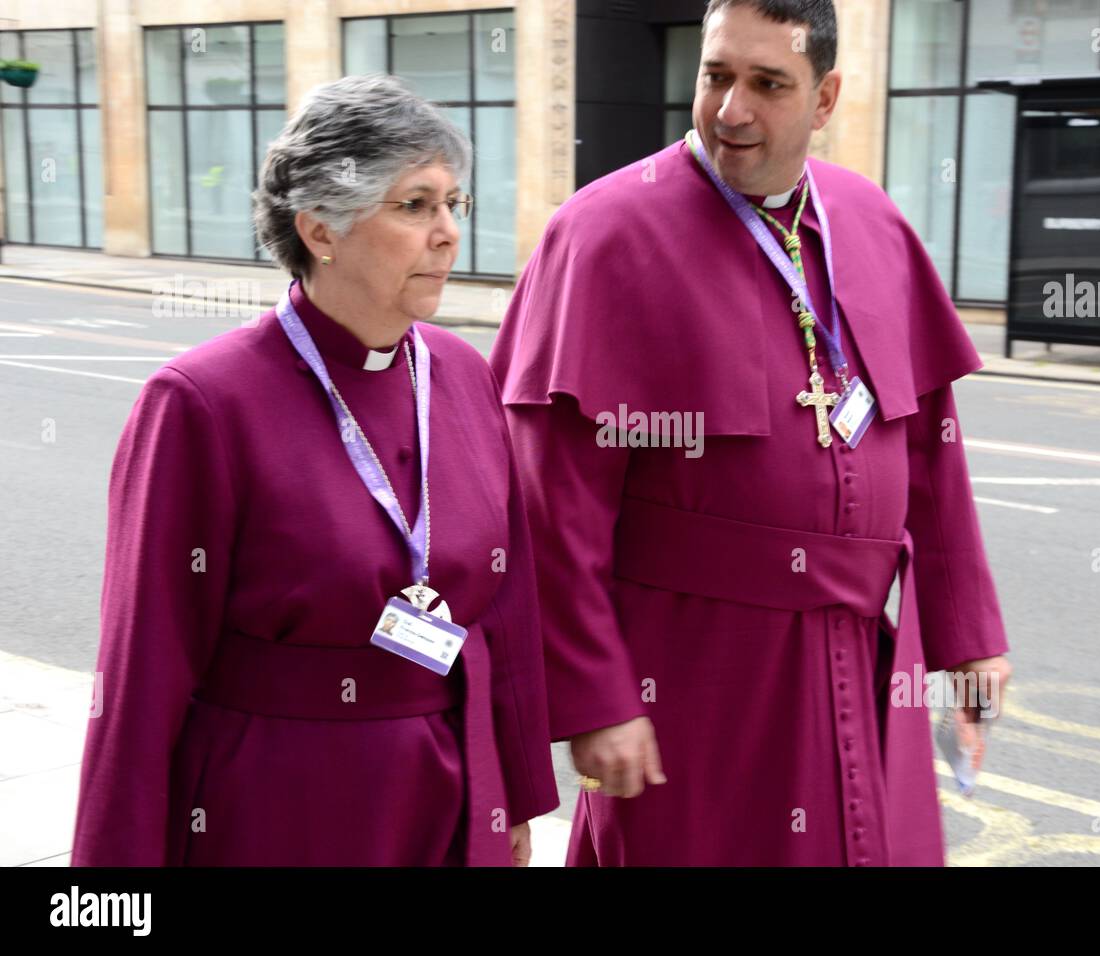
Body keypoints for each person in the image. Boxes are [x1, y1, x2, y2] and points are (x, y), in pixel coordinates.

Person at [489, 0, 1011, 866]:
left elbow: (929, 450)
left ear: (826, 97)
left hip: (851, 650)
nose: (732, 109)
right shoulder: (605, 233)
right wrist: (597, 698)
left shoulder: (871, 221)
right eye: (716, 75)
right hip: (693, 670)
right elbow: (551, 503)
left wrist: (969, 631)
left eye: (768, 84)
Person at [72, 75, 558, 866]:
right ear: (320, 231)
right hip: (278, 806)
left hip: (452, 797)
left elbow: (507, 603)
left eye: (453, 204)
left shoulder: (465, 373)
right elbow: (142, 674)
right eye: (414, 205)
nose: (447, 234)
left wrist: (516, 794)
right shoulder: (200, 403)